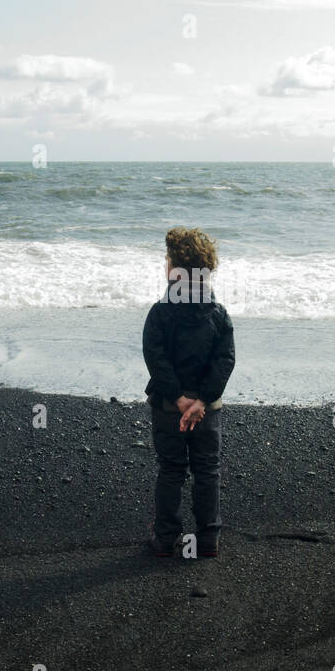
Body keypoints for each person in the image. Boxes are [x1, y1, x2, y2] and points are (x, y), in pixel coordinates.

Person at [142, 227, 235, 558]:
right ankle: (207, 540)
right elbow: (224, 361)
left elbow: (156, 357)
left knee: (171, 469)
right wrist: (202, 400)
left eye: (168, 260)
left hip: (170, 408)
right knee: (207, 469)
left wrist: (179, 399)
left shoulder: (161, 312)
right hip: (208, 409)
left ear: (175, 270)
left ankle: (166, 539)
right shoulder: (219, 314)